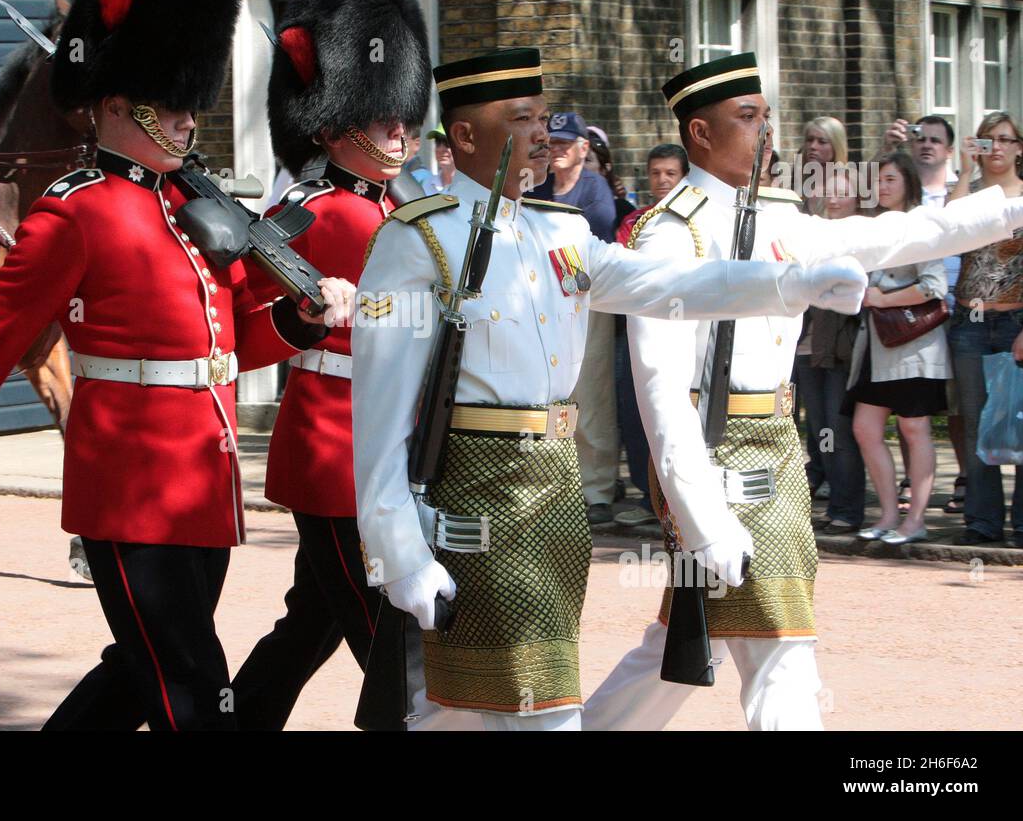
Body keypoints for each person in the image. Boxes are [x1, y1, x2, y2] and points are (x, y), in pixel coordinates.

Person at [0, 0, 352, 731]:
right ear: (121, 105)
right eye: (173, 104)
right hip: (128, 494)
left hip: (204, 488)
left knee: (137, 675)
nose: (188, 119)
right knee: (193, 689)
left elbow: (230, 341)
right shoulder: (75, 213)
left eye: (188, 101)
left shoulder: (192, 213)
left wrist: (295, 322)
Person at [353, 46, 871, 731]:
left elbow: (670, 284)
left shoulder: (561, 231)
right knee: (529, 708)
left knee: (470, 709)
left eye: (542, 117)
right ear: (469, 136)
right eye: (522, 117)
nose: (542, 132)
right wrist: (399, 554)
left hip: (555, 500)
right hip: (477, 504)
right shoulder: (419, 239)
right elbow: (380, 424)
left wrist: (786, 283)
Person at [584, 52, 1023, 731]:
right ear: (700, 133)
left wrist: (1016, 210)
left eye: (767, 116)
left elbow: (907, 230)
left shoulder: (783, 215)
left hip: (781, 456)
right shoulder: (672, 230)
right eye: (748, 117)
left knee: (685, 651)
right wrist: (700, 514)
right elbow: (661, 391)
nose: (768, 132)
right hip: (716, 456)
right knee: (777, 651)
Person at [229, 0, 431, 730]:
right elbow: (242, 329)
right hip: (333, 454)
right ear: (338, 120)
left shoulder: (394, 202)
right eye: (386, 119)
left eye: (403, 117)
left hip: (380, 446)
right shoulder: (309, 212)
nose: (401, 131)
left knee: (308, 625)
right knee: (392, 640)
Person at [851, 152, 949, 545]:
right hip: (876, 346)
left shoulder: (922, 227)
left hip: (915, 346)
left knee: (914, 426)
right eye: (877, 180)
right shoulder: (872, 227)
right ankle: (889, 514)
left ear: (908, 181)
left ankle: (916, 521)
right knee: (865, 428)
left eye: (890, 179)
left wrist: (882, 298)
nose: (882, 187)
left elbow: (935, 285)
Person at [534, 112, 621, 525]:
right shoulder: (539, 184)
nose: (557, 150)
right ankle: (560, 483)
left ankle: (599, 488)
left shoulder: (594, 188)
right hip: (544, 301)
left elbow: (593, 243)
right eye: (552, 142)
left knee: (592, 392)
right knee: (552, 391)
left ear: (584, 148)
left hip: (589, 301)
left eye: (565, 144)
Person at [947, 111, 1023, 548]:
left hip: (1018, 320)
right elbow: (948, 230)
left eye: (1004, 139)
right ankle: (982, 523)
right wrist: (964, 169)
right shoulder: (971, 195)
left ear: (1019, 147)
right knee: (978, 425)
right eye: (987, 141)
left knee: (1022, 423)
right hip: (970, 324)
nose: (996, 147)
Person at [878, 114, 963, 514]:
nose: (926, 144)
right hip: (895, 330)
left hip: (950, 311)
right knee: (904, 420)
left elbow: (935, 279)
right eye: (919, 138)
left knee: (949, 411)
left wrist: (880, 298)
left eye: (935, 139)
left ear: (949, 149)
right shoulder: (890, 200)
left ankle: (962, 484)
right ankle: (909, 492)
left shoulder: (953, 194)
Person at [612, 143, 690, 528]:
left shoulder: (697, 222)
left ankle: (682, 497)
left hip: (686, 332)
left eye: (670, 174)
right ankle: (649, 495)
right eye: (656, 173)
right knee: (636, 412)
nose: (662, 180)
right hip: (639, 329)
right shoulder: (636, 221)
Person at [802, 176, 867, 534]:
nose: (836, 199)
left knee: (839, 432)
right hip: (807, 350)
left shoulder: (860, 240)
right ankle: (835, 508)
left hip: (840, 353)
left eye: (844, 193)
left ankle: (848, 510)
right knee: (820, 429)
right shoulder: (815, 237)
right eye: (831, 191)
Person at [421, 124, 456, 194]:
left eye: (447, 142)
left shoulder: (473, 188)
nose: (441, 149)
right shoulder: (427, 184)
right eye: (438, 142)